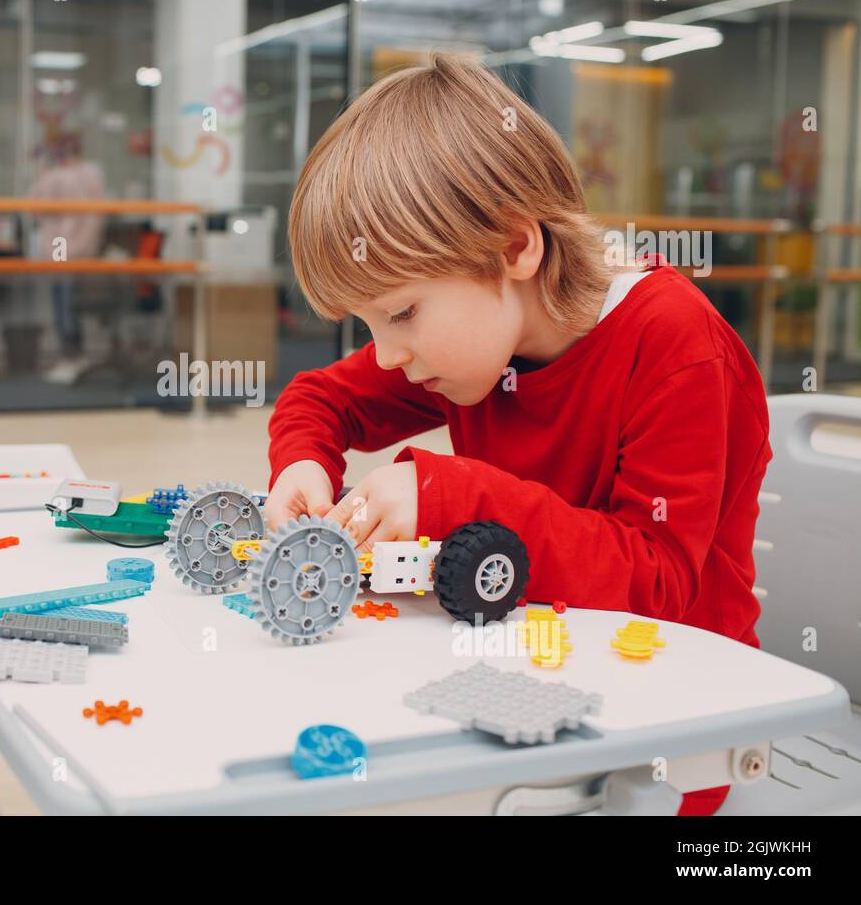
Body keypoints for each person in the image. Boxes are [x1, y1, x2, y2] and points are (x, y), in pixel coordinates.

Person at [265, 53, 770, 817]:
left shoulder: (676, 347)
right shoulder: (474, 338)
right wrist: (300, 460)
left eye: (401, 314)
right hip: (529, 684)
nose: (389, 353)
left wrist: (456, 497)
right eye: (368, 325)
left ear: (514, 248)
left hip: (673, 724)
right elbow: (319, 400)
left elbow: (660, 588)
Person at [30, 131, 105, 385]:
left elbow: (36, 209)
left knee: (65, 305)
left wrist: (42, 171)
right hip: (84, 251)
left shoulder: (55, 177)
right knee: (72, 304)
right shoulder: (92, 174)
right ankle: (75, 354)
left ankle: (72, 356)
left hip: (62, 251)